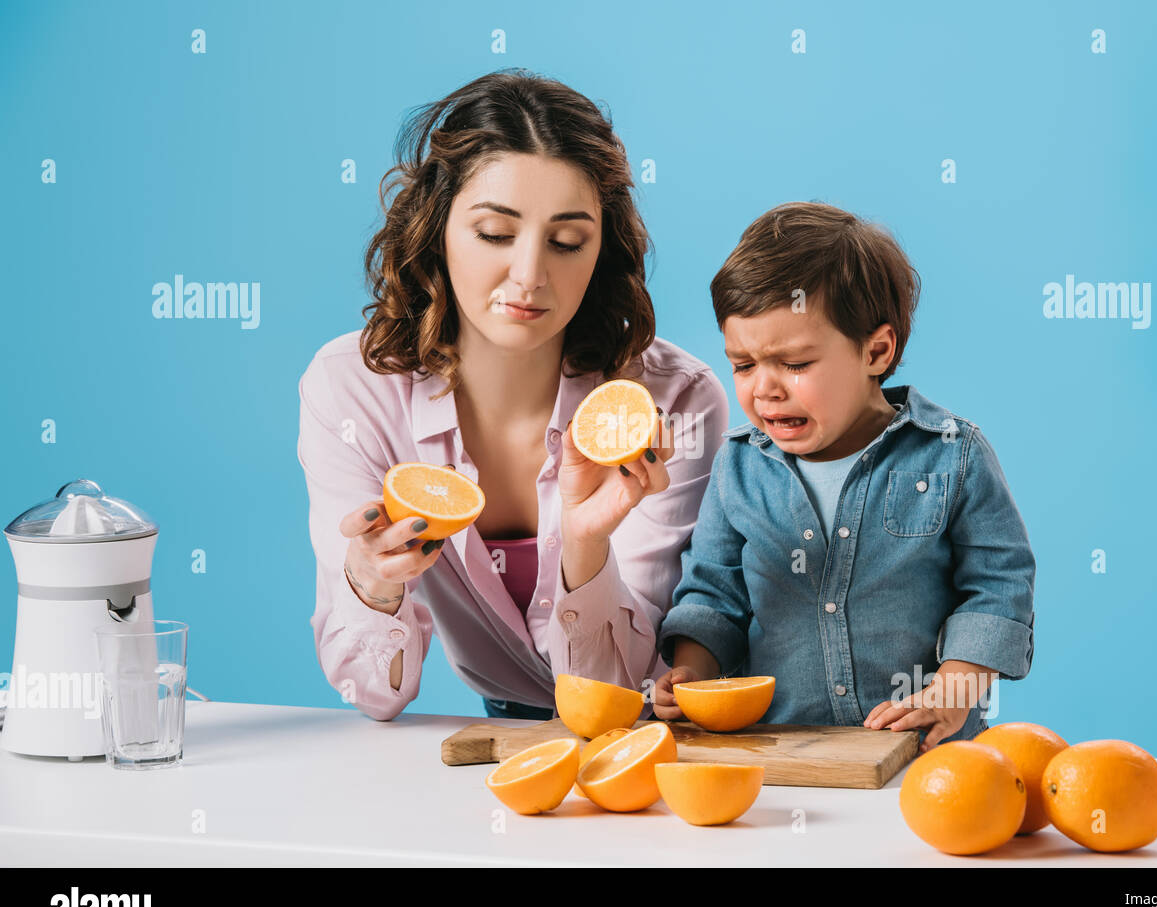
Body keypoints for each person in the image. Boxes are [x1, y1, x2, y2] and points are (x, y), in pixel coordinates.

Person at [297, 69, 727, 722]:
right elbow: (376, 693)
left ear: (601, 248)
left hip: (656, 734)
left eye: (566, 242)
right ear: (437, 228)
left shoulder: (673, 400)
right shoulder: (353, 390)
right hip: (505, 730)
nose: (529, 276)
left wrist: (586, 546)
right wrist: (371, 580)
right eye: (495, 234)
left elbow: (619, 691)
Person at [652, 202, 1036, 753]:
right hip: (784, 756)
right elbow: (713, 592)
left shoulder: (952, 455)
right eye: (743, 365)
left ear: (876, 351)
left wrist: (954, 688)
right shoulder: (738, 467)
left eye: (795, 364)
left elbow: (999, 586)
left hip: (930, 754)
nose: (765, 389)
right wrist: (690, 672)